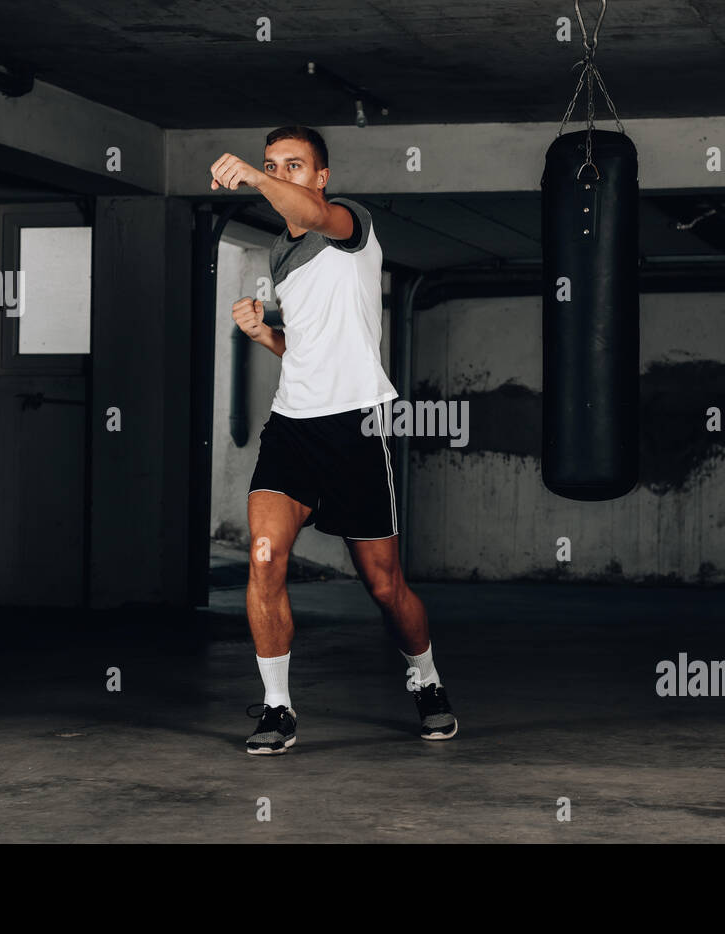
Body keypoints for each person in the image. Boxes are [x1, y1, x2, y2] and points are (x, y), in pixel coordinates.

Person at [211, 125, 458, 755]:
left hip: (357, 427)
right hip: (292, 427)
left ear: (321, 176)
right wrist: (264, 335)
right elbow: (309, 353)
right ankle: (277, 708)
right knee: (264, 558)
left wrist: (253, 177)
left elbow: (311, 213)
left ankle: (426, 679)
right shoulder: (280, 253)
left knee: (383, 586)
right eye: (272, 165)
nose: (281, 174)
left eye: (294, 166)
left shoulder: (350, 225)